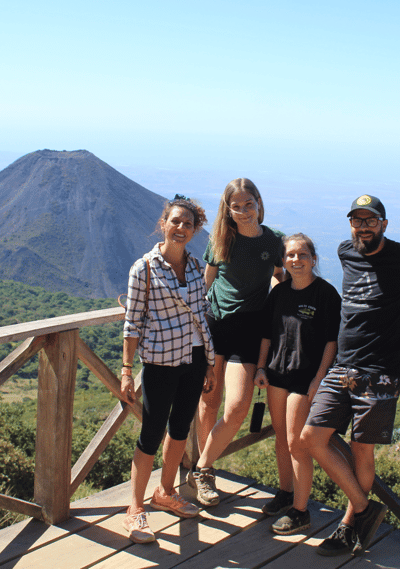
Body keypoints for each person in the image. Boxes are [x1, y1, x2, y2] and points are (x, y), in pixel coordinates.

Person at [298, 194, 400, 556]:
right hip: (343, 365)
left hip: (381, 371)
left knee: (362, 452)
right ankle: (365, 507)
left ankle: (347, 526)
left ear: (384, 224)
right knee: (311, 437)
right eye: (357, 220)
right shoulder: (346, 251)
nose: (363, 227)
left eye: (370, 221)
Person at [120, 195, 217, 544]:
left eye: (188, 224)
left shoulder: (193, 267)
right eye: (175, 221)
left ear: (194, 230)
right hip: (160, 363)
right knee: (150, 434)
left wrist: (209, 362)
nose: (181, 228)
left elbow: (200, 318)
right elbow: (132, 324)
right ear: (163, 223)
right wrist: (127, 371)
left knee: (179, 430)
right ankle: (135, 509)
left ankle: (164, 492)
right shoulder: (143, 269)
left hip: (191, 360)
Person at [188, 178, 284, 507]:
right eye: (236, 206)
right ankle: (206, 472)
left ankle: (200, 467)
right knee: (209, 402)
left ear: (259, 202)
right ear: (227, 210)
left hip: (250, 329)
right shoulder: (220, 240)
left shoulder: (273, 241)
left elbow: (276, 273)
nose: (243, 211)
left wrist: (278, 293)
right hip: (215, 326)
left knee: (238, 406)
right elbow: (207, 281)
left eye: (248, 204)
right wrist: (195, 323)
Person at [253, 233, 341, 535]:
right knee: (280, 437)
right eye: (290, 255)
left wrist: (320, 378)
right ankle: (285, 492)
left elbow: (332, 340)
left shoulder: (326, 294)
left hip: (305, 378)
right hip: (277, 372)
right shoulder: (278, 293)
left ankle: (301, 510)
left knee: (295, 443)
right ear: (284, 260)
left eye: (302, 255)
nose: (296, 260)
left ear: (313, 259)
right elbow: (266, 333)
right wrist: (261, 367)